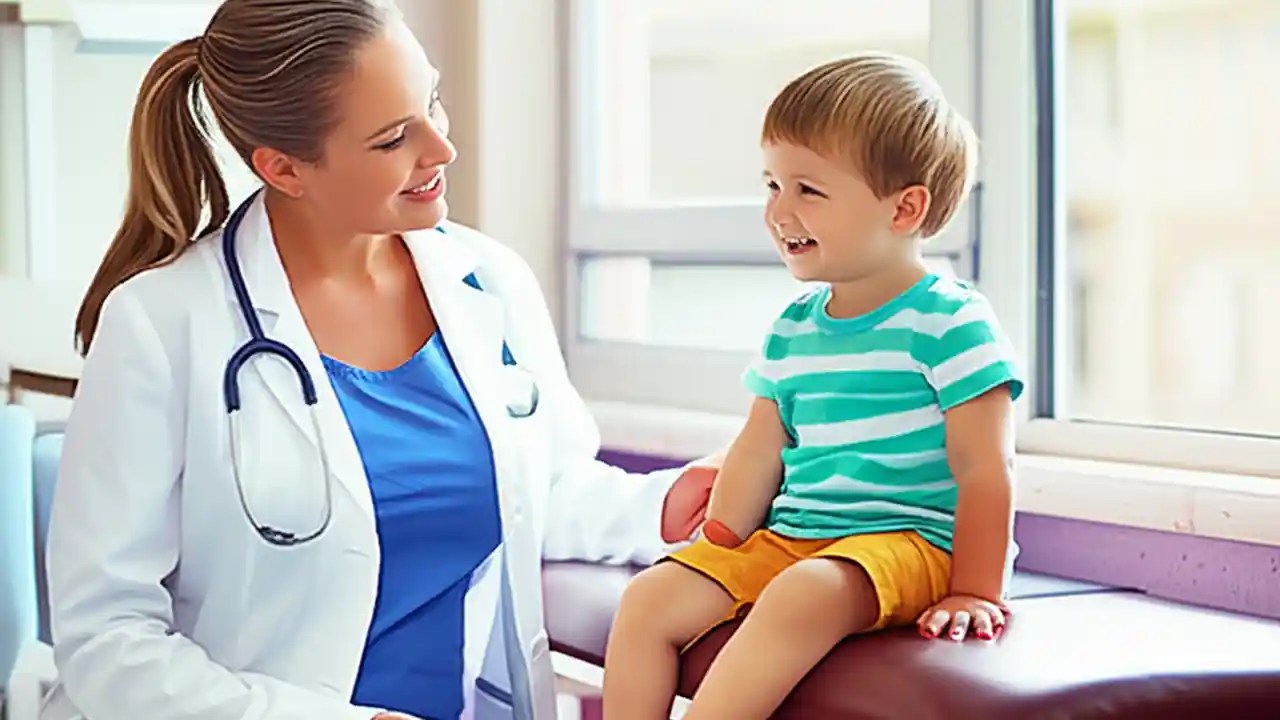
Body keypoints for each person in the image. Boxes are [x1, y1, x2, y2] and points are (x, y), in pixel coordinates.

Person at [40, 1, 718, 719]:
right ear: (283, 167)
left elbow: (537, 495)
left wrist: (669, 505)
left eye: (432, 102)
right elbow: (106, 639)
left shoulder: (488, 281)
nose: (441, 149)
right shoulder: (161, 323)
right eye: (395, 138)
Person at [602, 53, 1025, 719]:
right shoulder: (794, 328)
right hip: (802, 535)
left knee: (803, 592)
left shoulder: (951, 322)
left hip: (910, 543)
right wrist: (721, 538)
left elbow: (985, 469)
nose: (779, 211)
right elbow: (759, 445)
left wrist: (975, 590)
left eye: (808, 190)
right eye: (772, 184)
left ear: (904, 208)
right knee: (649, 598)